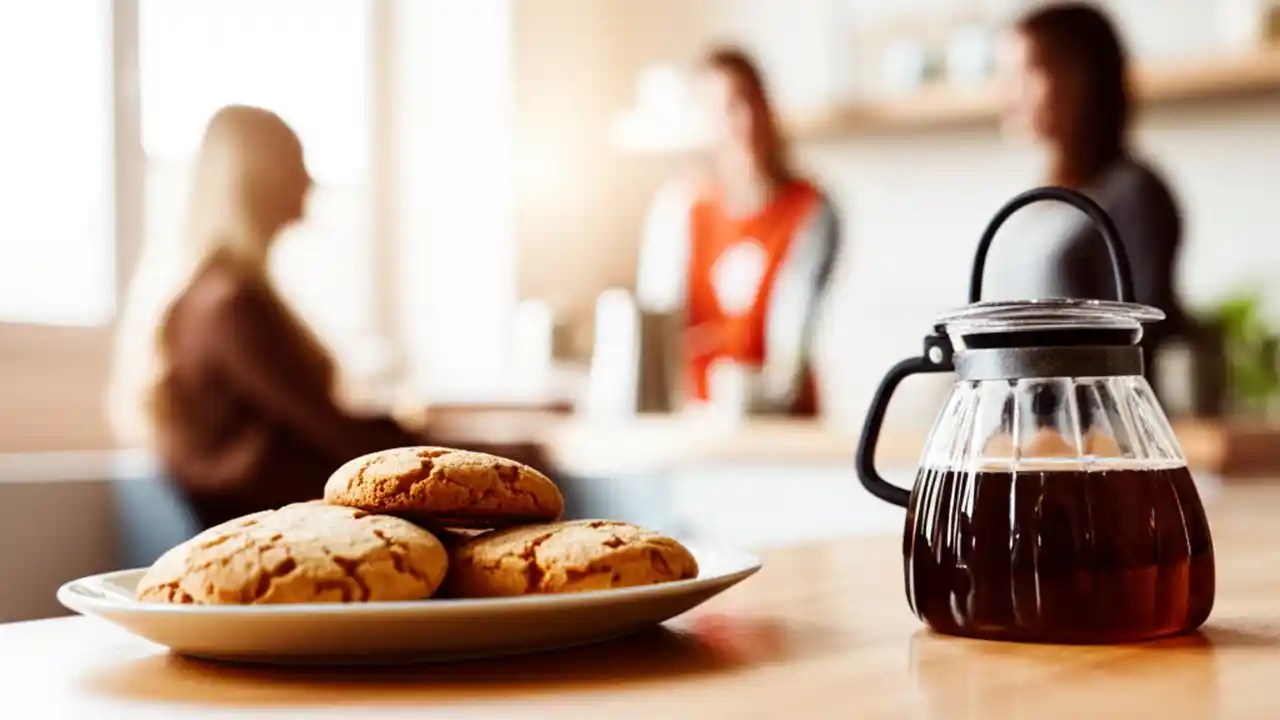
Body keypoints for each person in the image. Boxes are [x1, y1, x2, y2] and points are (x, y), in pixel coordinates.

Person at [109, 105, 422, 528]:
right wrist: (478, 452)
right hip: (272, 522)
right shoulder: (233, 306)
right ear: (257, 179)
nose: (310, 180)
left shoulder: (203, 296)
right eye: (295, 164)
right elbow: (334, 434)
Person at [636, 48, 839, 416]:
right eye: (726, 109)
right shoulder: (680, 208)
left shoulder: (810, 209)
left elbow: (789, 341)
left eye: (750, 102)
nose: (743, 122)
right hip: (693, 413)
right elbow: (659, 330)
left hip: (782, 416)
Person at [997, 2, 1190, 358]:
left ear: (1079, 78)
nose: (1008, 94)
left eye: (1027, 73)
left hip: (1092, 411)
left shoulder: (1135, 194)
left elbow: (1144, 331)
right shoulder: (1039, 201)